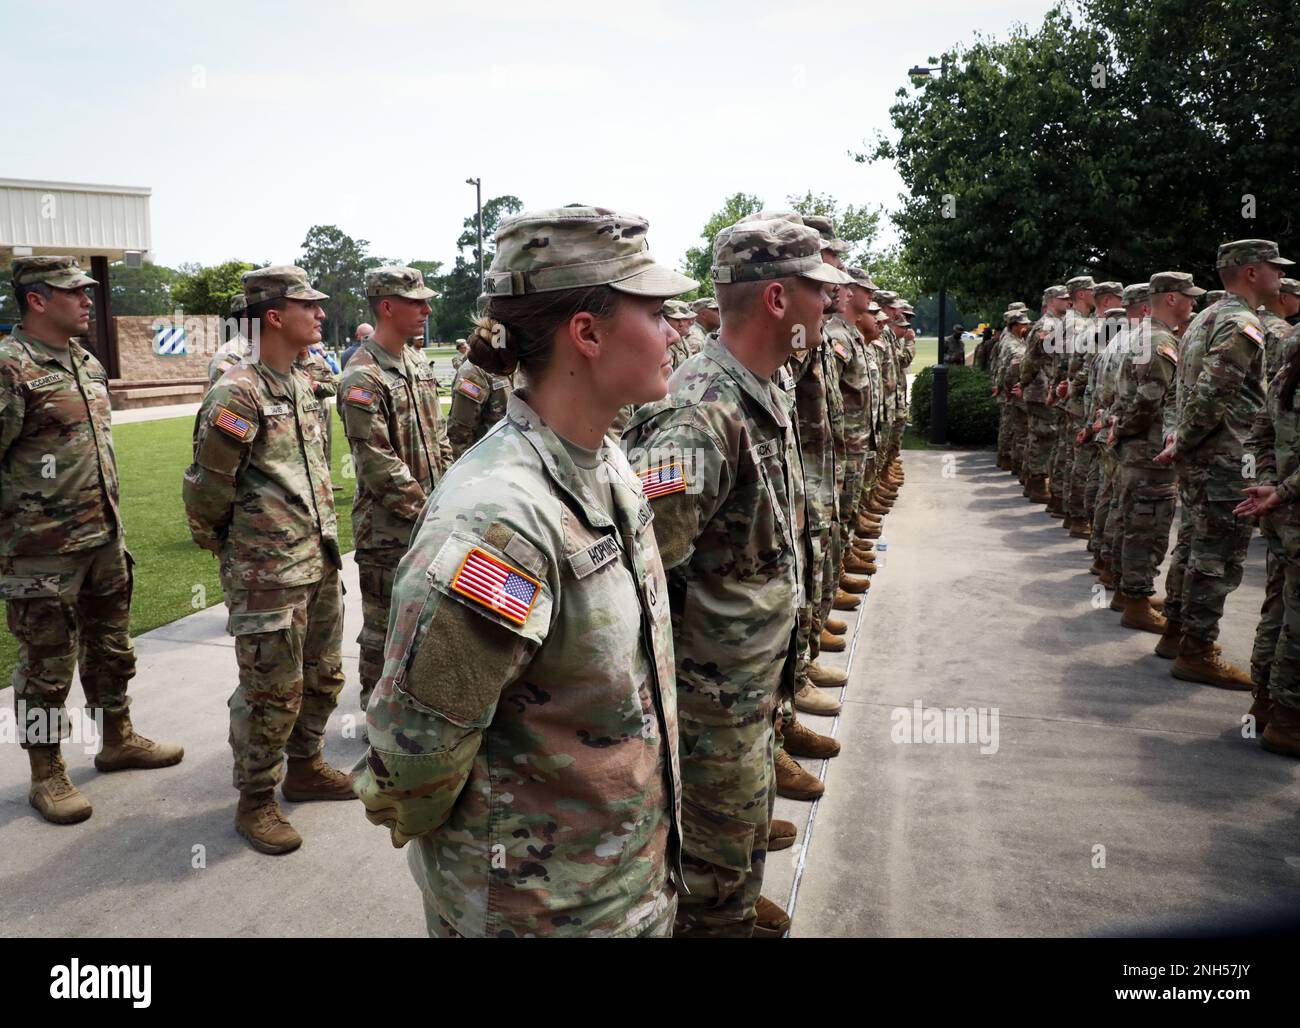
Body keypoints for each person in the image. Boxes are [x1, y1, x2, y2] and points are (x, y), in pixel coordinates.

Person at [352, 206, 692, 938]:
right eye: (657, 313)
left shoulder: (604, 463)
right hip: (540, 914)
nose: (675, 332)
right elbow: (412, 761)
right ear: (588, 333)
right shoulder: (500, 519)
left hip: (624, 890)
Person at [625, 216, 843, 938]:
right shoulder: (700, 411)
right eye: (819, 289)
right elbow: (647, 574)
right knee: (709, 861)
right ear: (777, 298)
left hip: (747, 683)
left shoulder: (760, 385)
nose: (832, 303)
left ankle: (735, 904)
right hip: (707, 697)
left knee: (743, 828)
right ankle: (719, 913)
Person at [1, 256, 183, 825]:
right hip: (40, 551)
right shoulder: (10, 367)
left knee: (111, 649)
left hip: (103, 536)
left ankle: (116, 737)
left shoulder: (85, 361)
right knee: (46, 666)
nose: (86, 300)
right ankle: (46, 771)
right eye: (73, 292)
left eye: (87, 291)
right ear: (36, 300)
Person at [184, 265, 354, 855]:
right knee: (269, 691)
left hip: (319, 560)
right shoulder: (238, 391)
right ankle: (256, 799)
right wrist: (234, 551)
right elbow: (207, 489)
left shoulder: (302, 383)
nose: (321, 314)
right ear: (274, 316)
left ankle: (306, 768)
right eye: (309, 306)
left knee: (323, 676)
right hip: (267, 572)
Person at [1157, 239, 1292, 687]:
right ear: (1252, 272)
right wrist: (1186, 441)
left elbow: (1185, 391)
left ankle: (1178, 634)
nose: (1281, 275)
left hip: (1205, 457)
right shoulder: (1240, 322)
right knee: (1217, 561)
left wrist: (1180, 440)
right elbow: (1213, 393)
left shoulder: (1203, 319)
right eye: (1275, 267)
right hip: (1226, 460)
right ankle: (1196, 651)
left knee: (1195, 549)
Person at [338, 265, 450, 711]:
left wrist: (449, 498)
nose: (426, 308)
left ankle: (418, 706)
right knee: (384, 631)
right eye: (416, 301)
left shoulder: (416, 363)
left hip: (432, 520)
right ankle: (376, 715)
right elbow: (376, 462)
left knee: (428, 623)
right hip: (390, 532)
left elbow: (440, 439)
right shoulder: (363, 376)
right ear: (387, 306)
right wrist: (429, 512)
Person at [1109, 273, 1200, 631]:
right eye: (1188, 297)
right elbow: (1148, 401)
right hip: (1148, 451)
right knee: (1146, 529)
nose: (1193, 303)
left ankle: (1129, 594)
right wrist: (1127, 429)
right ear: (1171, 299)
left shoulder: (1142, 336)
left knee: (1131, 522)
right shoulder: (1159, 340)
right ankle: (1135, 603)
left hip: (1136, 449)